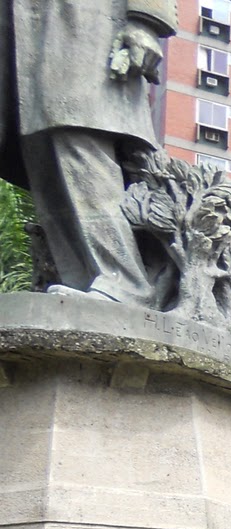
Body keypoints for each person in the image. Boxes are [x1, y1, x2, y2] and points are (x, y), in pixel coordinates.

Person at [0, 0, 179, 306]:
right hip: (22, 29)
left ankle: (126, 284)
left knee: (78, 135)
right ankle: (85, 281)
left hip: (86, 22)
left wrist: (148, 19)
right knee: (42, 149)